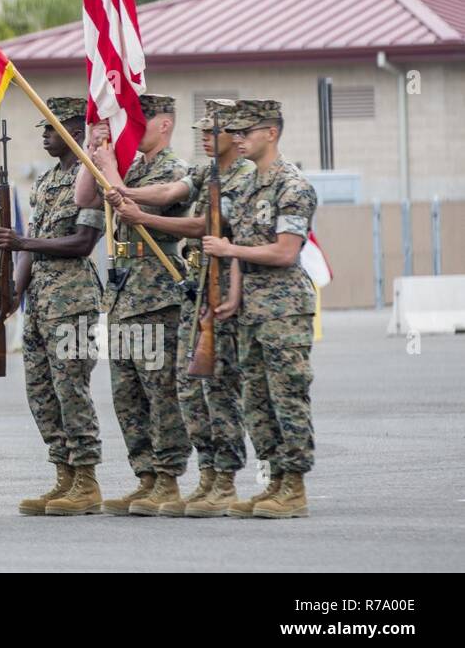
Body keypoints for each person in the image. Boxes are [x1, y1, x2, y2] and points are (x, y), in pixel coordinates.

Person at [106, 98, 253, 516]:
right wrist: (123, 189)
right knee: (191, 392)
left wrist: (144, 218)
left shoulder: (242, 177)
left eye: (213, 131)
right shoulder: (204, 171)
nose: (205, 137)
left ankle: (223, 480)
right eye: (202, 131)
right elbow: (173, 192)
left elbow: (204, 225)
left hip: (222, 292)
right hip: (196, 288)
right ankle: (204, 478)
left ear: (235, 134)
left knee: (221, 391)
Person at [202, 99, 318, 519]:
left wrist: (229, 248)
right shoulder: (250, 185)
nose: (238, 139)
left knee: (287, 398)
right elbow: (240, 250)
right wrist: (233, 293)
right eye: (235, 133)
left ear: (271, 133)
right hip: (251, 306)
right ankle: (274, 482)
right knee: (257, 399)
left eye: (247, 132)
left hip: (284, 309)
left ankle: (296, 487)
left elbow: (286, 252)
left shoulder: (293, 185)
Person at [77, 94, 191, 516]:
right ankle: (145, 477)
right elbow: (85, 198)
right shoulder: (131, 166)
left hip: (157, 296)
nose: (132, 127)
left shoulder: (174, 168)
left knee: (160, 393)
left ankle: (168, 479)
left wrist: (113, 173)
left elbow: (157, 198)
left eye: (140, 120)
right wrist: (96, 150)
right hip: (123, 298)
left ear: (164, 124)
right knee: (127, 394)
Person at [0, 98, 105, 516]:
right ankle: (63, 477)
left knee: (70, 389)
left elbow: (82, 242)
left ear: (76, 133)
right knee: (40, 391)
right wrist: (13, 296)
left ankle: (86, 481)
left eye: (52, 129)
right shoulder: (44, 182)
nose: (44, 135)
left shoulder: (89, 180)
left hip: (72, 300)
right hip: (40, 302)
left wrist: (24, 243)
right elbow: (28, 250)